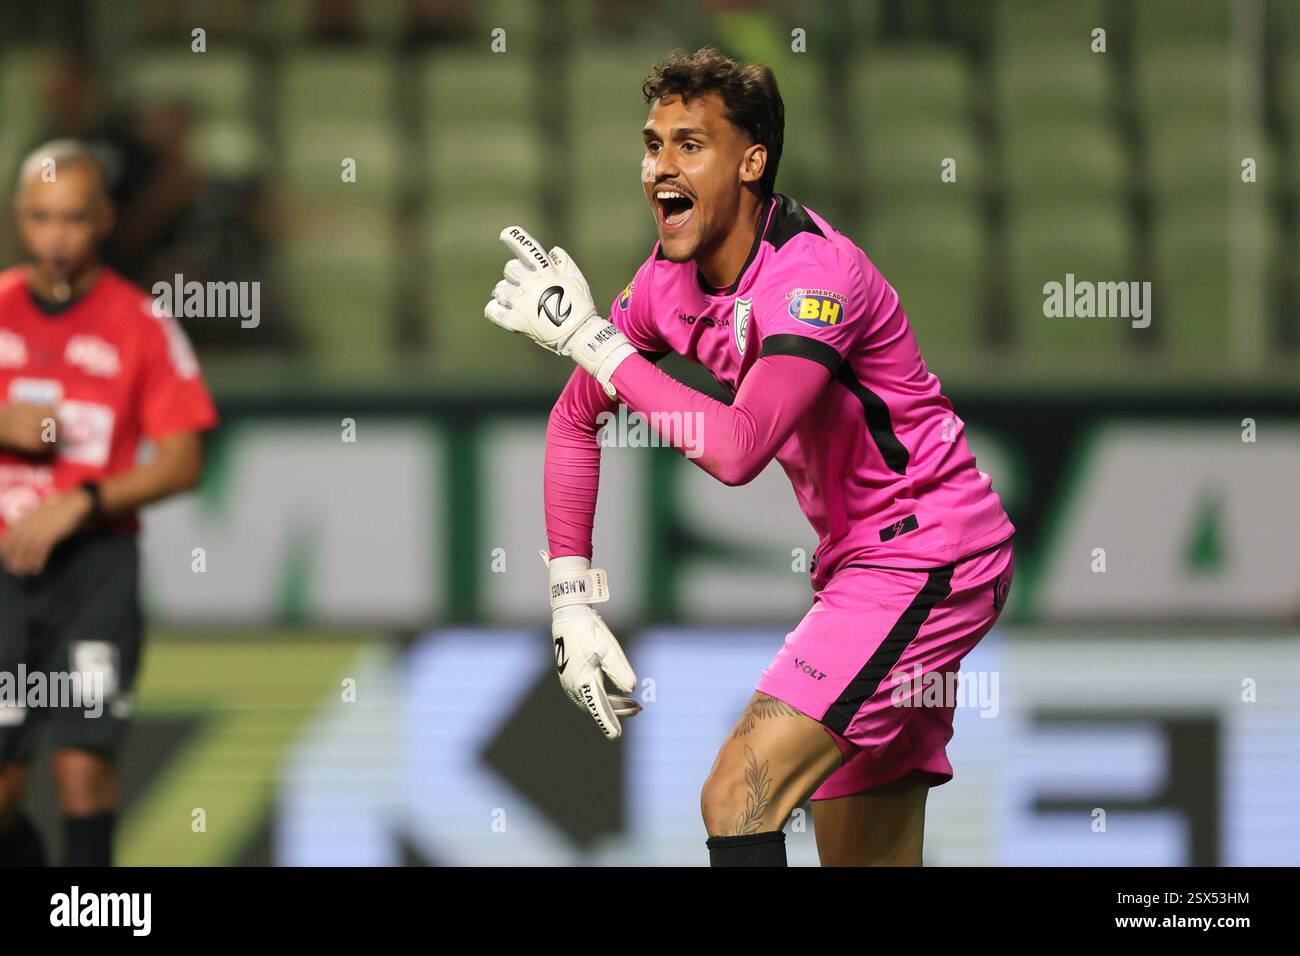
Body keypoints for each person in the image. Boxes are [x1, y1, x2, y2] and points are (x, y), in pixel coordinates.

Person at [484, 47, 1014, 867]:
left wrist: (591, 339)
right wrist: (570, 602)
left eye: (691, 144)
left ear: (752, 161)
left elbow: (737, 450)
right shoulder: (664, 287)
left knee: (739, 793)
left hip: (928, 552)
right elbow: (574, 419)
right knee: (866, 859)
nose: (662, 164)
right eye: (654, 143)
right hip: (864, 563)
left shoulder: (814, 277)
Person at [0, 140, 217, 866]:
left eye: (72, 218)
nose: (55, 237)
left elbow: (184, 458)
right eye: (39, 218)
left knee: (82, 764)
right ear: (19, 218)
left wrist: (84, 500)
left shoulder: (141, 324)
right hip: (4, 571)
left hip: (95, 568)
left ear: (105, 220)